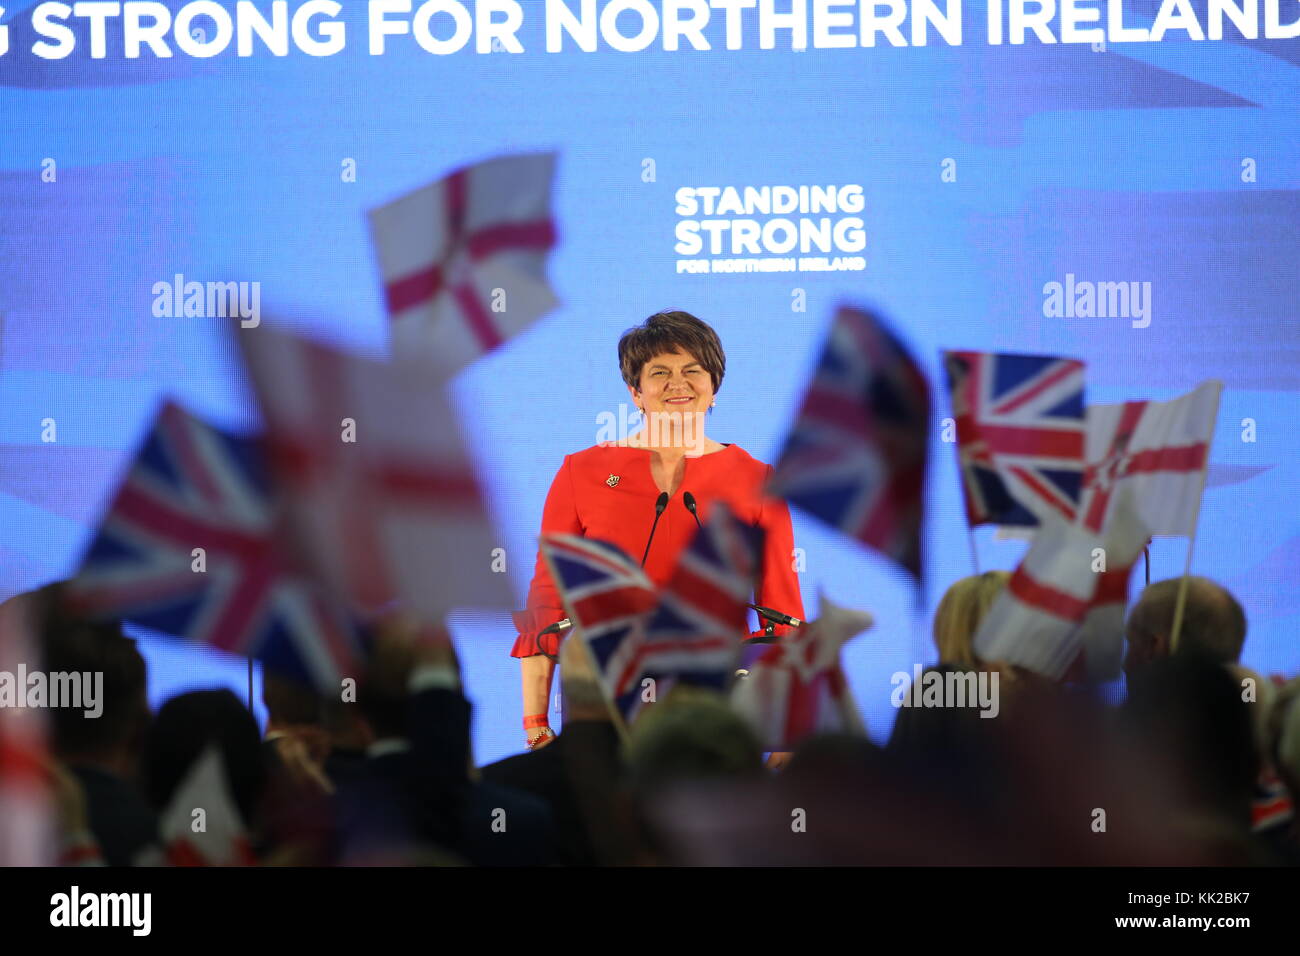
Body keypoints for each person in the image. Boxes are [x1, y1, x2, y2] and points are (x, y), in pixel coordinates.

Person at [512, 310, 806, 749]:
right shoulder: (582, 471)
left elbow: (782, 612)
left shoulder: (757, 480)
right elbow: (546, 605)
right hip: (603, 700)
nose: (678, 383)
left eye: (693, 370)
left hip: (712, 706)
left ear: (713, 388)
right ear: (636, 392)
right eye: (660, 372)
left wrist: (785, 733)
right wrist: (535, 720)